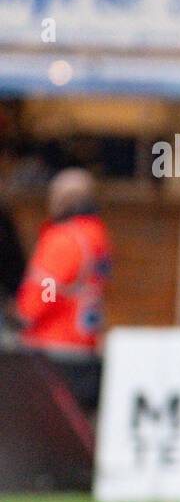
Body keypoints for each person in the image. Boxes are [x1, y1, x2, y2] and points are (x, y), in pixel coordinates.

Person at [15, 168, 111, 412]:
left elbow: (43, 292)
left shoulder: (64, 238)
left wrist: (22, 315)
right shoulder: (97, 235)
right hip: (85, 344)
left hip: (54, 348)